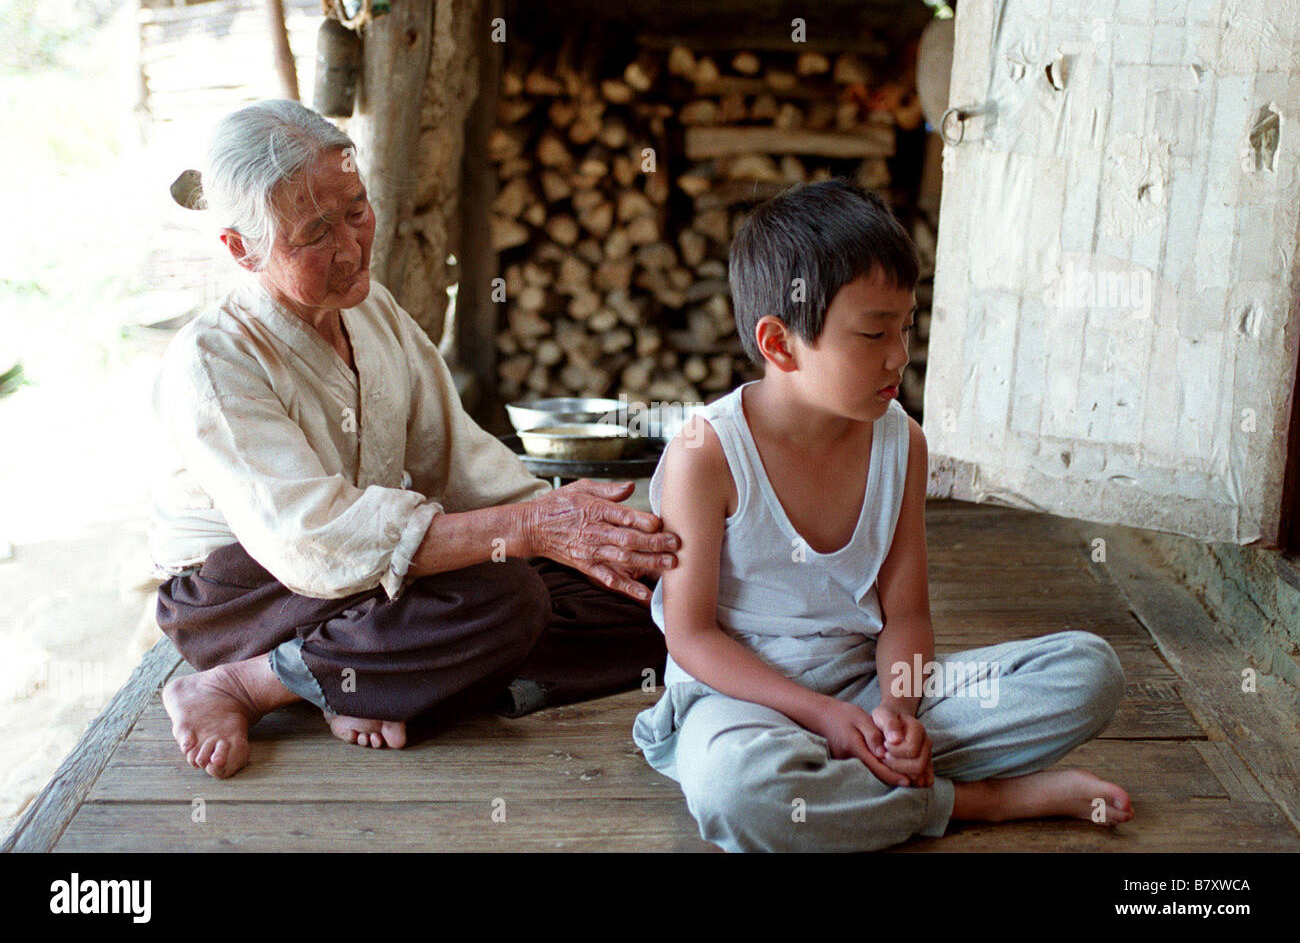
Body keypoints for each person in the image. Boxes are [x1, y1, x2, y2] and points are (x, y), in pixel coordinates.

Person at [150, 99, 674, 780]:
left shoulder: (372, 311)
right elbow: (310, 542)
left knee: (642, 598)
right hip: (249, 588)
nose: (350, 246)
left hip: (365, 581)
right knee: (508, 599)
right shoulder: (213, 360)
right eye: (313, 232)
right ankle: (250, 682)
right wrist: (529, 529)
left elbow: (458, 461)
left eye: (357, 210)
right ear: (241, 248)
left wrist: (583, 533)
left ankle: (368, 676)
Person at [632, 178, 1133, 852]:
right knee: (739, 791)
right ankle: (976, 800)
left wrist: (895, 714)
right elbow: (691, 637)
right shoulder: (708, 451)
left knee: (1088, 670)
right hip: (740, 704)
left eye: (907, 326)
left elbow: (907, 616)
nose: (900, 354)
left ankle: (869, 775)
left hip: (865, 681)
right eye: (874, 332)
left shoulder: (902, 441)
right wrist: (822, 716)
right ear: (779, 343)